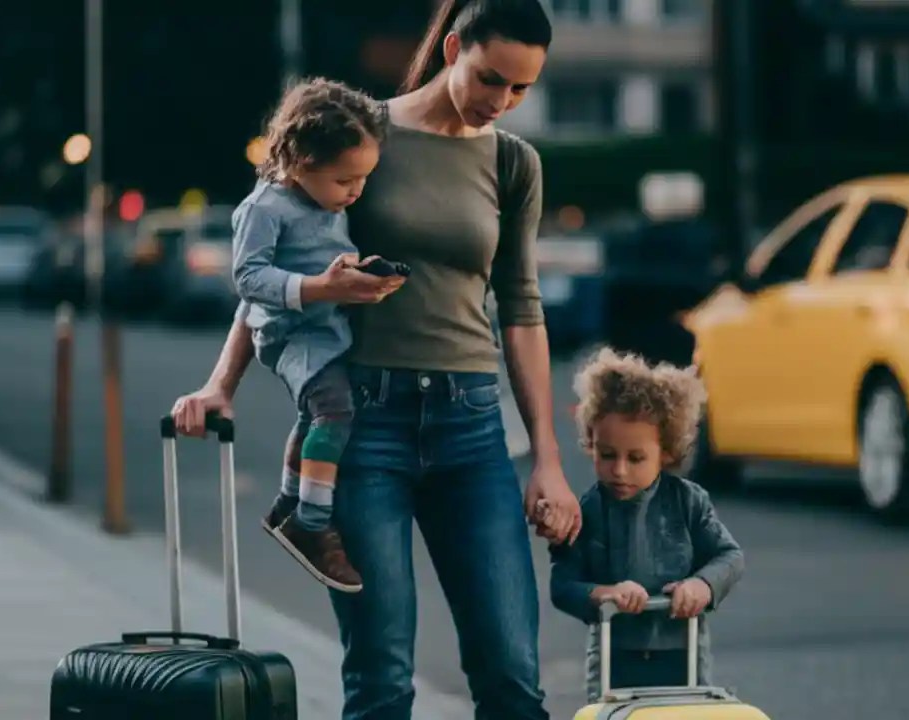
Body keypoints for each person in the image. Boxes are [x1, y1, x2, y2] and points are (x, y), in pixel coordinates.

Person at [171, 1, 581, 717]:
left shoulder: (515, 162)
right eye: (490, 78)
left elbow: (521, 307)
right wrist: (219, 383)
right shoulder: (361, 135)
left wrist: (547, 457)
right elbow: (273, 265)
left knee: (512, 675)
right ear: (454, 47)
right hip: (365, 426)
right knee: (382, 680)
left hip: (472, 426)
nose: (502, 102)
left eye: (522, 89)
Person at [232, 77, 388, 595]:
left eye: (363, 178)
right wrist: (317, 286)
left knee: (312, 416)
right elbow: (248, 277)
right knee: (333, 411)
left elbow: (322, 257)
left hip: (323, 325)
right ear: (300, 162)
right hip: (290, 331)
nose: (355, 192)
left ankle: (288, 503)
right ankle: (313, 526)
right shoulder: (266, 209)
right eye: (345, 180)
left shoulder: (329, 204)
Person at [548, 348, 745, 702]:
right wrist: (605, 593)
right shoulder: (587, 510)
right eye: (607, 455)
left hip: (681, 653)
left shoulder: (688, 501)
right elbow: (563, 585)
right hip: (615, 658)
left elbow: (729, 557)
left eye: (636, 458)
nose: (620, 470)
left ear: (666, 451)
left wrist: (702, 585)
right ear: (591, 443)